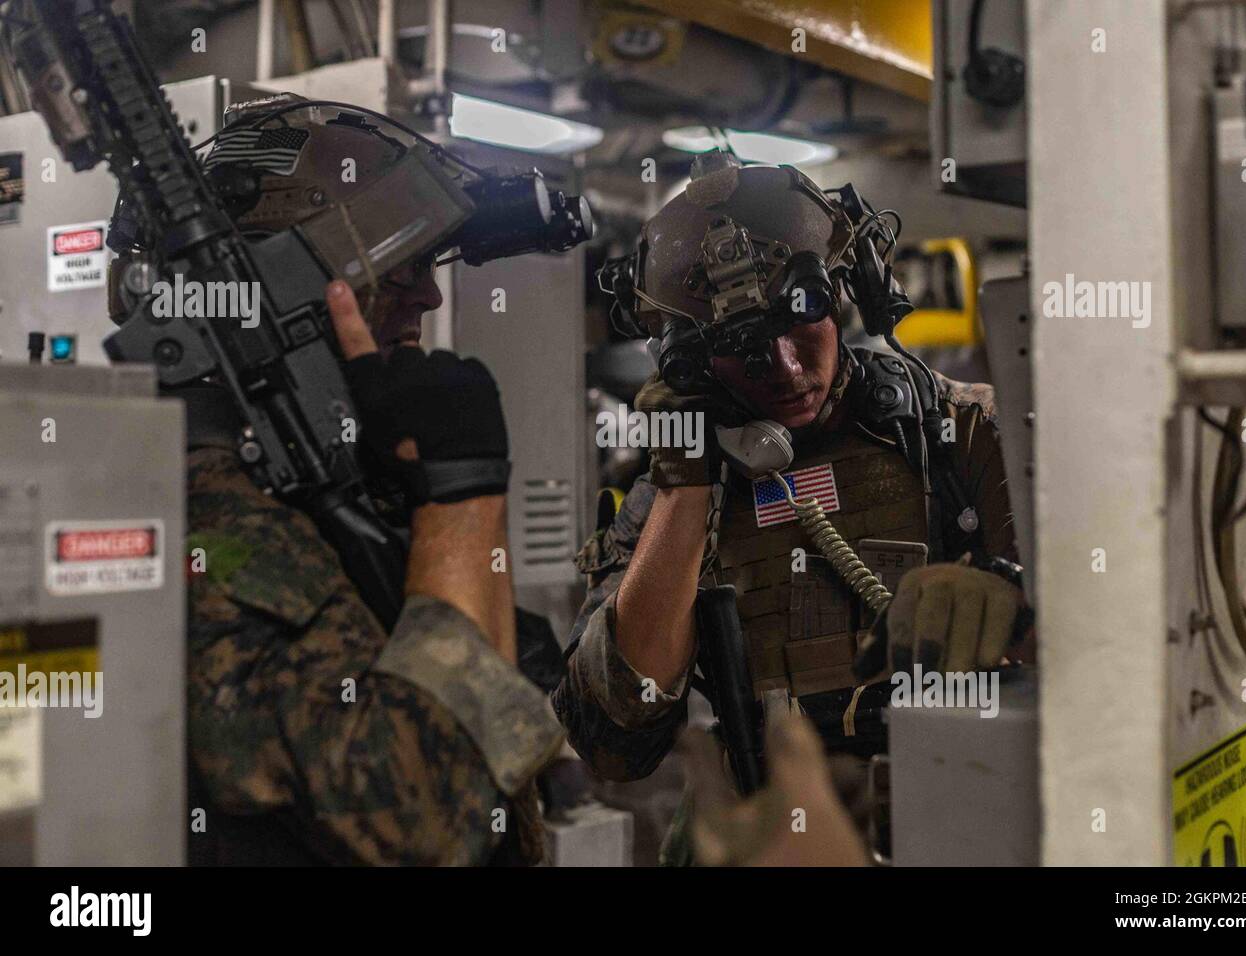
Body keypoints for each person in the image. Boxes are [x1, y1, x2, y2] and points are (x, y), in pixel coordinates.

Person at [551, 151, 1026, 861]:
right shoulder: (669, 497)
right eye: (742, 349)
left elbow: (1106, 643)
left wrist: (1010, 595)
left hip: (960, 818)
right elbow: (614, 739)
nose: (787, 368)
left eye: (801, 318)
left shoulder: (961, 433)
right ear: (693, 362)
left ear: (849, 291)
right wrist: (686, 487)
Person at [150, 103, 565, 864]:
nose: (429, 298)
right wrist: (463, 492)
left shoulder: (329, 479)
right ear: (289, 287)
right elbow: (433, 819)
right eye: (399, 267)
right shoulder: (209, 513)